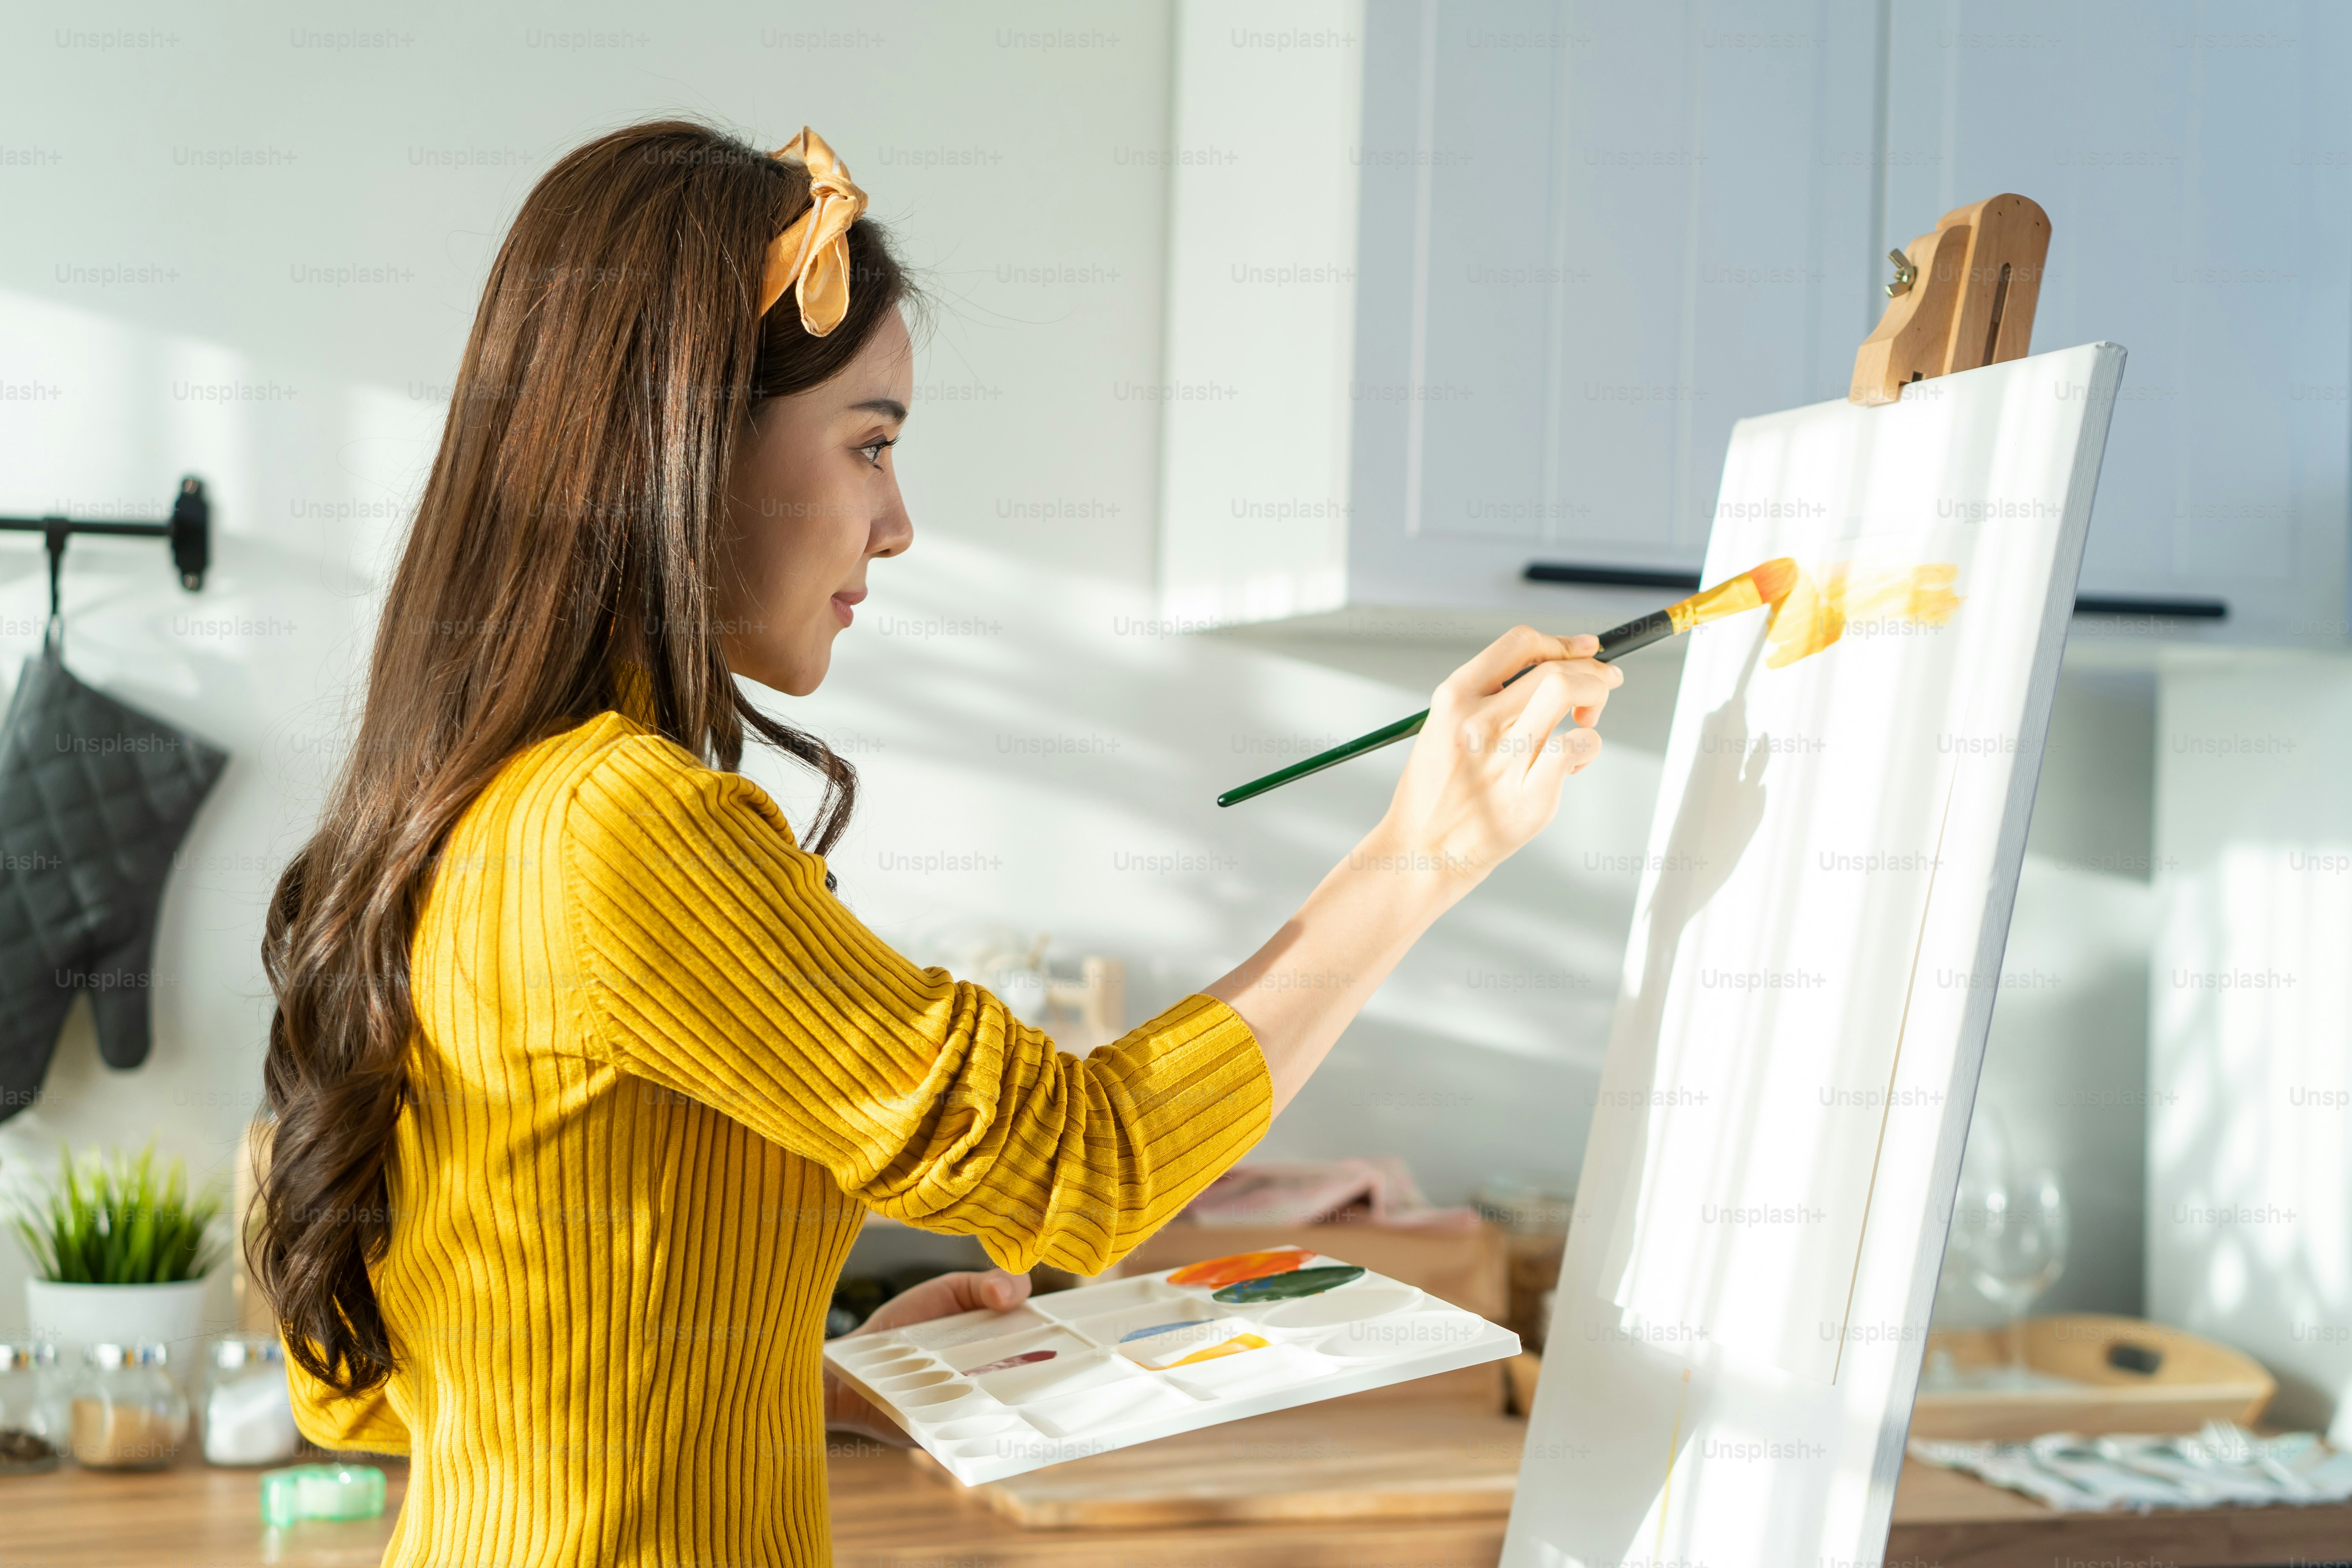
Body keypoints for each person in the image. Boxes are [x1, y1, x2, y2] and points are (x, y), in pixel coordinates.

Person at [249, 118, 1620, 1567]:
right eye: (871, 445)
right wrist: (1420, 855)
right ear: (688, 438)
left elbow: (377, 1389)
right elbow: (1082, 1166)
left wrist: (800, 1376)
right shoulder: (625, 826)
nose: (896, 523)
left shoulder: (477, 808)